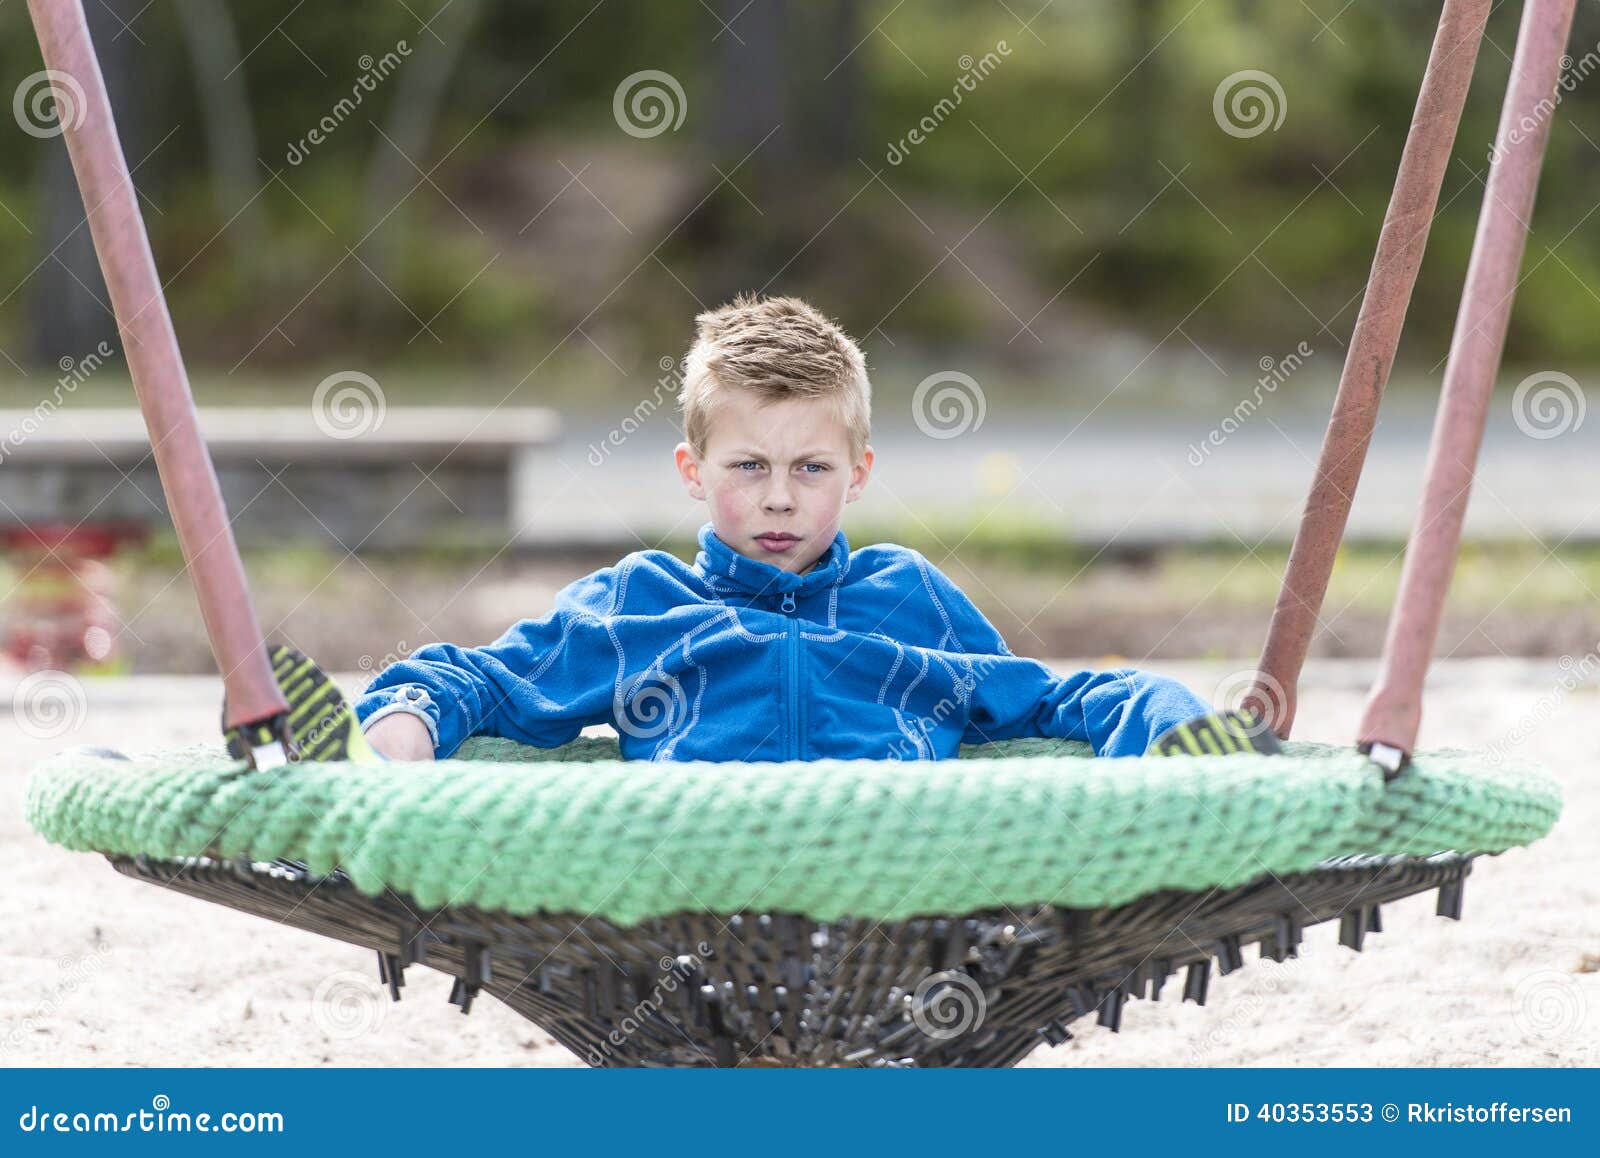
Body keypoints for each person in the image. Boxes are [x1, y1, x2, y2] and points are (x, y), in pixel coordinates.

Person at [355, 294, 1277, 763]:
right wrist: (401, 727)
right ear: (693, 474)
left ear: (858, 475)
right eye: (748, 467)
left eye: (812, 469)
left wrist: (1173, 724)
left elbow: (1041, 707)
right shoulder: (641, 604)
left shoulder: (906, 597)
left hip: (894, 896)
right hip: (695, 899)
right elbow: (487, 680)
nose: (780, 500)